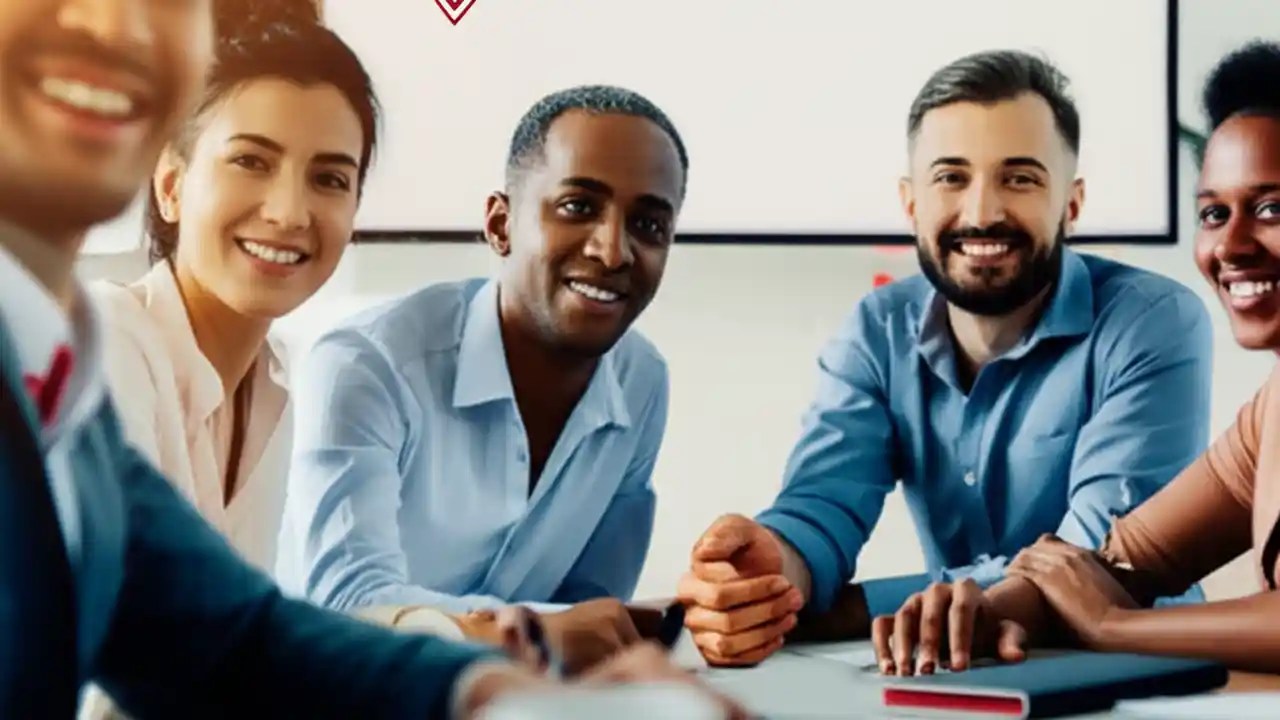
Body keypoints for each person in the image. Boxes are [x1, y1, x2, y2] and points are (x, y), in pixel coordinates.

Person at [0, 0, 742, 716]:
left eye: (329, 178)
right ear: (170, 183)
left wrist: (491, 689)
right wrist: (511, 661)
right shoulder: (118, 352)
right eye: (250, 161)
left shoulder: (227, 387)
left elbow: (232, 637)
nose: (289, 212)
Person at [676, 49, 1214, 667]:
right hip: (953, 670)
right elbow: (822, 507)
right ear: (911, 204)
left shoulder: (1153, 321)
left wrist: (864, 607)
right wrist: (770, 575)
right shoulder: (876, 330)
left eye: (1020, 179)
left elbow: (1099, 562)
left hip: (1137, 671)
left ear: (1072, 203)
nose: (982, 212)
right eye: (952, 178)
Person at [872, 39, 1280, 678]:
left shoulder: (1152, 320)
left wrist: (1115, 626)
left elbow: (1107, 603)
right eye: (1212, 213)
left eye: (1271, 208)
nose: (1230, 245)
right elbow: (1126, 559)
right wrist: (986, 611)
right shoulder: (1268, 417)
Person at [275, 83, 682, 672]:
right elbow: (348, 603)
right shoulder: (367, 365)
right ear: (500, 224)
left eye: (648, 224)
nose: (613, 250)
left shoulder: (641, 382)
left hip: (508, 698)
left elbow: (590, 612)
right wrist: (541, 633)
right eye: (577, 207)